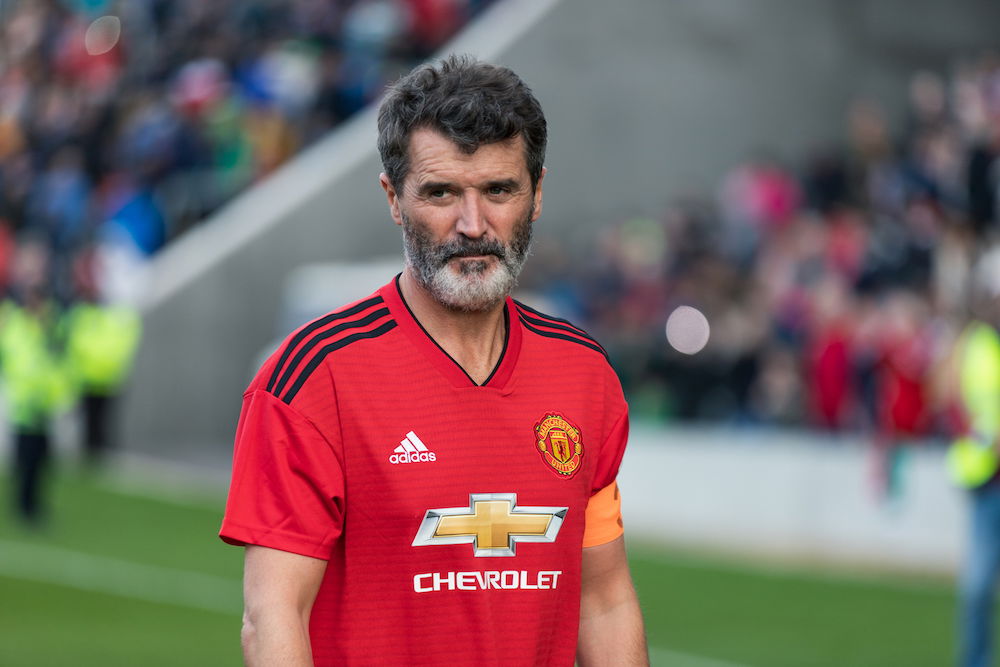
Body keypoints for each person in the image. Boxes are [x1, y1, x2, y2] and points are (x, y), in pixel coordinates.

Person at [219, 55, 648, 666]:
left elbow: (603, 600)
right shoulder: (313, 378)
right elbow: (272, 618)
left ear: (538, 193)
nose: (472, 225)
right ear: (394, 198)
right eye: (442, 193)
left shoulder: (584, 374)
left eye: (499, 190)